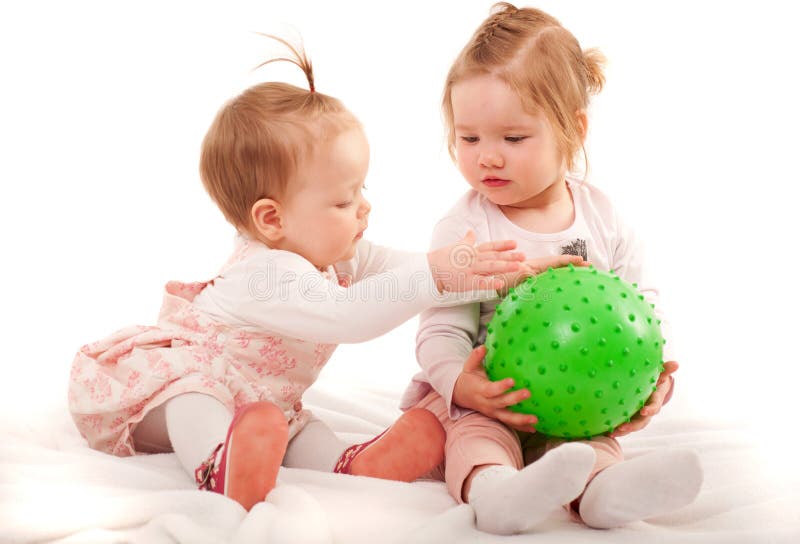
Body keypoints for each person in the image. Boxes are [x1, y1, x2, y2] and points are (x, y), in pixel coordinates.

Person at [67, 34, 573, 512]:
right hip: (164, 389)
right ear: (273, 218)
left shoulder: (331, 252)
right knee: (194, 401)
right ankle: (215, 465)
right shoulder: (265, 275)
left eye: (362, 190)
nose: (364, 208)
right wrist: (440, 275)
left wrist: (496, 272)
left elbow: (403, 267)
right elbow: (350, 315)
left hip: (263, 409)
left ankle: (349, 466)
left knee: (296, 430)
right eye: (343, 199)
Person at [400, 3, 703, 534]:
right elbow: (441, 326)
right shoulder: (464, 228)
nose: (486, 157)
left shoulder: (603, 218)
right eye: (468, 138)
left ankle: (604, 494)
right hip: (490, 399)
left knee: (591, 447)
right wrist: (461, 385)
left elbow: (643, 308)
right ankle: (496, 492)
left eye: (512, 139)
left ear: (574, 129)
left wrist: (657, 376)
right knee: (472, 440)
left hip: (581, 402)